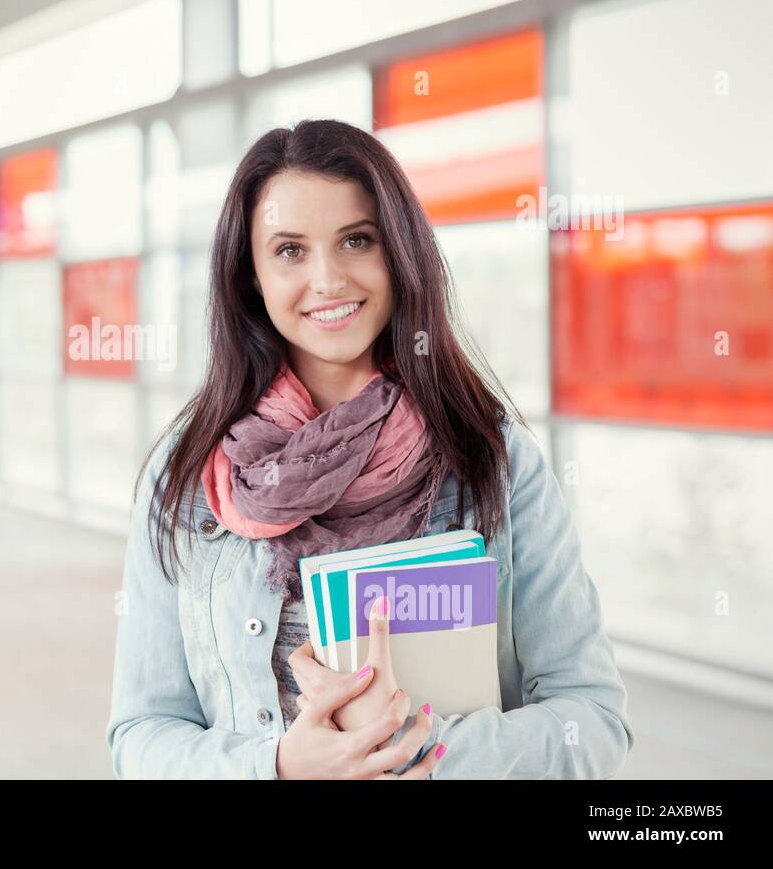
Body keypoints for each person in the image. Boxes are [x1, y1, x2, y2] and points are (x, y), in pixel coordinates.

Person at [105, 119, 634, 779]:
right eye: (290, 250)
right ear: (252, 277)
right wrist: (279, 767)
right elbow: (142, 733)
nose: (327, 279)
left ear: (399, 252)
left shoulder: (491, 458)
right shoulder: (189, 476)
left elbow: (594, 723)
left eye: (357, 240)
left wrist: (420, 748)